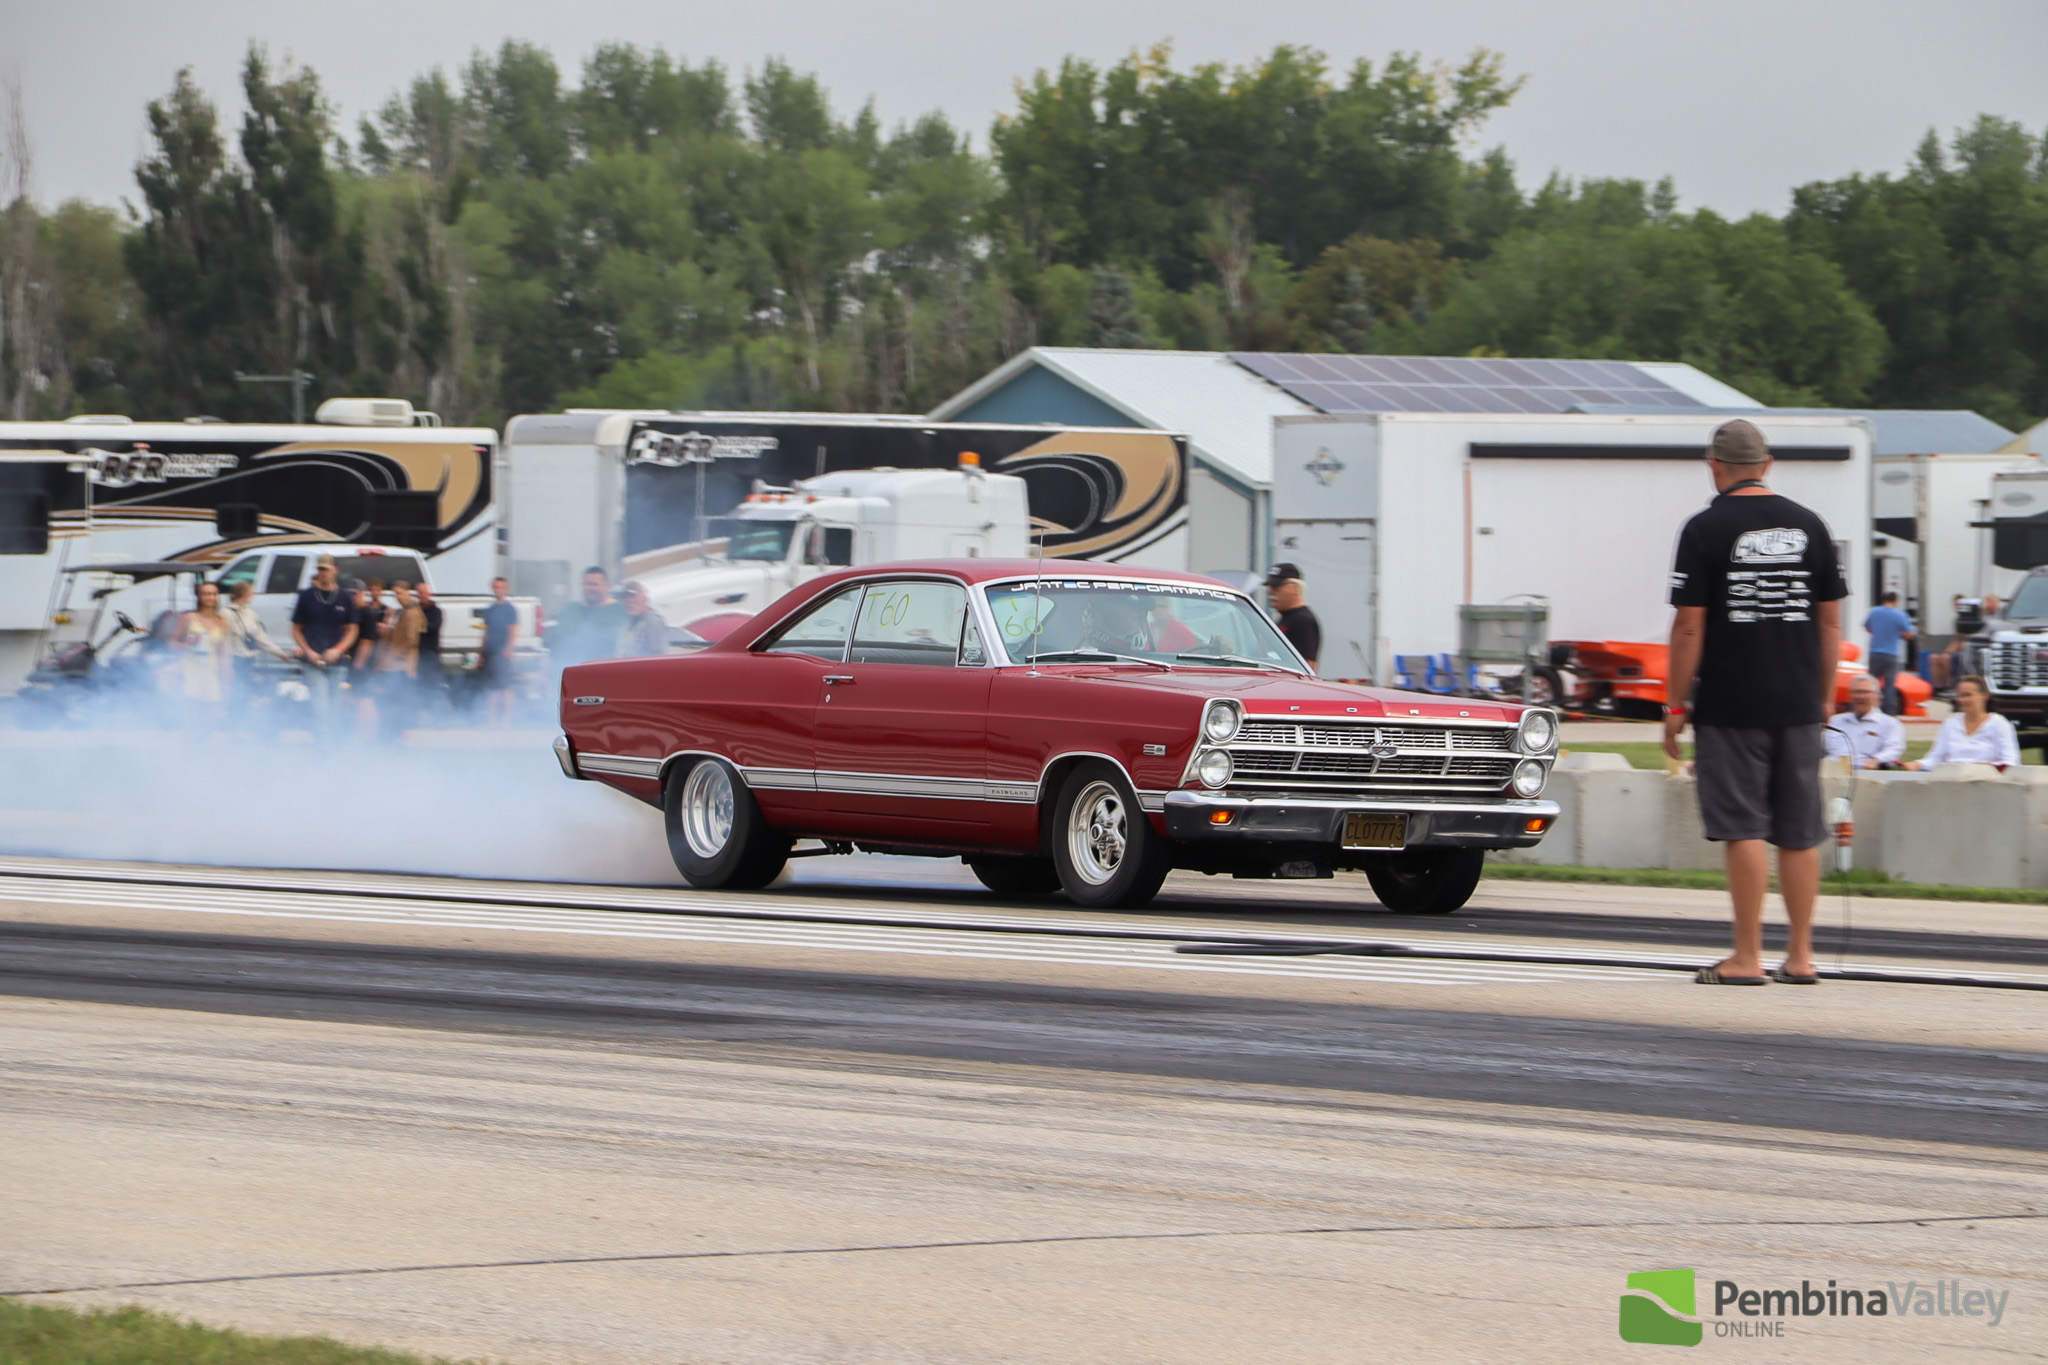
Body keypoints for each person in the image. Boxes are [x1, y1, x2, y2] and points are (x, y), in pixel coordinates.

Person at [1662, 419, 1846, 987]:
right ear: (1767, 465)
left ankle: (1745, 957)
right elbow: (1830, 621)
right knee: (1799, 830)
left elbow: (1689, 626)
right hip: (1797, 703)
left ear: (1714, 466)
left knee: (1743, 828)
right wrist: (1823, 699)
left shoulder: (1704, 528)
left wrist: (1673, 709)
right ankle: (1801, 955)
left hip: (1731, 703)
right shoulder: (1811, 525)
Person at [289, 555, 360, 737]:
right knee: (320, 708)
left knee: (334, 710)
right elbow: (296, 629)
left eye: (326, 569)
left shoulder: (344, 597)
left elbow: (352, 629)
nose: (323, 573)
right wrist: (308, 651)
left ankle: (332, 749)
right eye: (320, 569)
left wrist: (338, 649)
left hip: (337, 661)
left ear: (335, 570)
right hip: (313, 660)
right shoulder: (306, 596)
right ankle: (323, 753)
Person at [1908, 675, 2019, 771]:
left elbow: (2011, 762)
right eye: (1960, 695)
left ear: (1984, 696)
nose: (1962, 700)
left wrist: (1985, 767)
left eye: (1968, 695)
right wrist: (1916, 764)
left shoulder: (1999, 724)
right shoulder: (1950, 723)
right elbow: (1935, 758)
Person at [368, 580, 426, 741]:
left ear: (408, 592)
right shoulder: (401, 611)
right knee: (389, 701)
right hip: (393, 666)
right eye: (395, 594)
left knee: (397, 703)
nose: (397, 597)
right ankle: (390, 734)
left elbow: (411, 641)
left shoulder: (412, 612)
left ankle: (396, 735)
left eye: (399, 593)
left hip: (402, 666)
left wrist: (392, 658)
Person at [172, 580, 235, 728]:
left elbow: (221, 652)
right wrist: (188, 644)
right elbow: (172, 644)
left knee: (213, 718)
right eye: (206, 594)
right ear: (199, 597)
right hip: (191, 669)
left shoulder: (222, 622)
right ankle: (189, 747)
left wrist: (226, 674)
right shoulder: (188, 618)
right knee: (192, 717)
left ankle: (203, 746)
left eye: (213, 594)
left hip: (210, 670)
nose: (210, 597)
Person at [1824, 674, 1907, 769]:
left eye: (1865, 692)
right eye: (1856, 692)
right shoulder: (1836, 721)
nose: (1860, 697)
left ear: (1877, 696)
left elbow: (1893, 749)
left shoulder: (1890, 724)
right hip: (1833, 772)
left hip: (1867, 774)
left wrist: (1876, 760)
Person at [551, 566, 624, 671]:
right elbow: (555, 644)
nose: (590, 588)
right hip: (573, 671)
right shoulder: (570, 609)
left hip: (608, 672)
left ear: (607, 586)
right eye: (587, 584)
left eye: (595, 584)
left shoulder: (621, 611)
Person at [1863, 590, 1915, 714]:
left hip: (1874, 652)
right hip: (1891, 654)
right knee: (1889, 686)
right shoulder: (1900, 615)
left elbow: (1868, 628)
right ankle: (1888, 713)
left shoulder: (1874, 612)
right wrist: (1899, 635)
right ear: (1896, 601)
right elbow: (1909, 634)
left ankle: (1870, 710)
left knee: (1871, 684)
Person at [477, 576, 519, 730]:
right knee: (491, 688)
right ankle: (492, 720)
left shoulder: (510, 609)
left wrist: (509, 650)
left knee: (505, 687)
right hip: (490, 652)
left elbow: (512, 630)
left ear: (506, 589)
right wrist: (481, 654)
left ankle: (507, 721)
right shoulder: (490, 610)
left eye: (501, 587)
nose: (498, 590)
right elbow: (486, 633)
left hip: (503, 653)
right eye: (495, 587)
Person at [1264, 563, 1320, 672]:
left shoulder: (1303, 621)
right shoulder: (1287, 617)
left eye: (1276, 587)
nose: (1271, 592)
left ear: (1295, 588)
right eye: (1270, 587)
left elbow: (1308, 666)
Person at [413, 581, 445, 718]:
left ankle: (436, 718)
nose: (422, 596)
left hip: (431, 655)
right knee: (417, 687)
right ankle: (418, 716)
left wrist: (419, 626)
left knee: (433, 687)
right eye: (419, 593)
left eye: (424, 593)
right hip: (416, 655)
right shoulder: (414, 610)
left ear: (429, 594)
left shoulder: (436, 611)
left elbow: (433, 628)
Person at [615, 580, 670, 658]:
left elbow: (659, 655)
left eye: (632, 596)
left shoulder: (653, 621)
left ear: (644, 599)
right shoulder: (628, 622)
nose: (628, 601)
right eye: (625, 597)